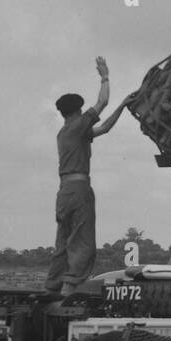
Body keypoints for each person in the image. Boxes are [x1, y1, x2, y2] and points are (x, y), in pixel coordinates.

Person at [47, 57, 132, 298]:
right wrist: (105, 76)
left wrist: (123, 106)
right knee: (82, 241)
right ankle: (67, 293)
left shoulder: (65, 133)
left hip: (63, 193)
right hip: (79, 189)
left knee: (63, 242)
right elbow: (102, 101)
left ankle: (52, 288)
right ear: (77, 111)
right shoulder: (77, 126)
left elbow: (103, 128)